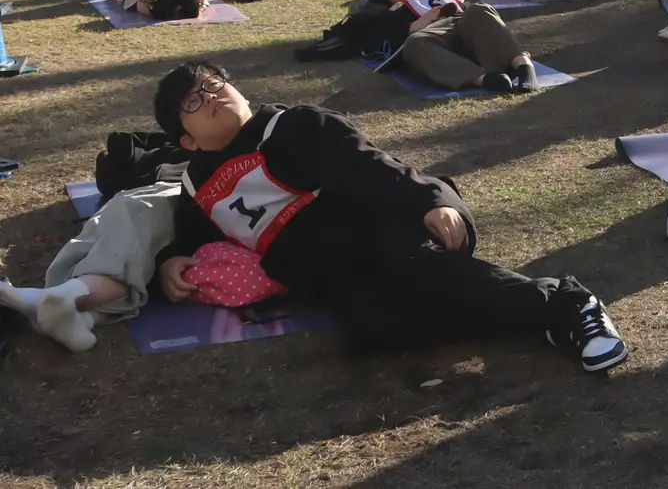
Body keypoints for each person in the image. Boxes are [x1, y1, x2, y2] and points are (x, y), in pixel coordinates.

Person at [149, 61, 627, 370]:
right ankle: (527, 315)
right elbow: (192, 233)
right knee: (374, 332)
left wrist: (431, 202)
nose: (211, 96)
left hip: (384, 229)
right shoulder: (195, 183)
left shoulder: (293, 125)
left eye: (214, 83)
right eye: (193, 101)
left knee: (424, 276)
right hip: (331, 274)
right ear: (185, 138)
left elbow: (373, 168)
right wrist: (174, 257)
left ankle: (568, 305)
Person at [365, 0, 541, 94]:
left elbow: (474, 18)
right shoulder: (393, 14)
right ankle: (485, 79)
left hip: (463, 28)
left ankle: (524, 67)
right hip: (432, 39)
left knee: (480, 9)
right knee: (414, 44)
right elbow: (394, 44)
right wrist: (422, 22)